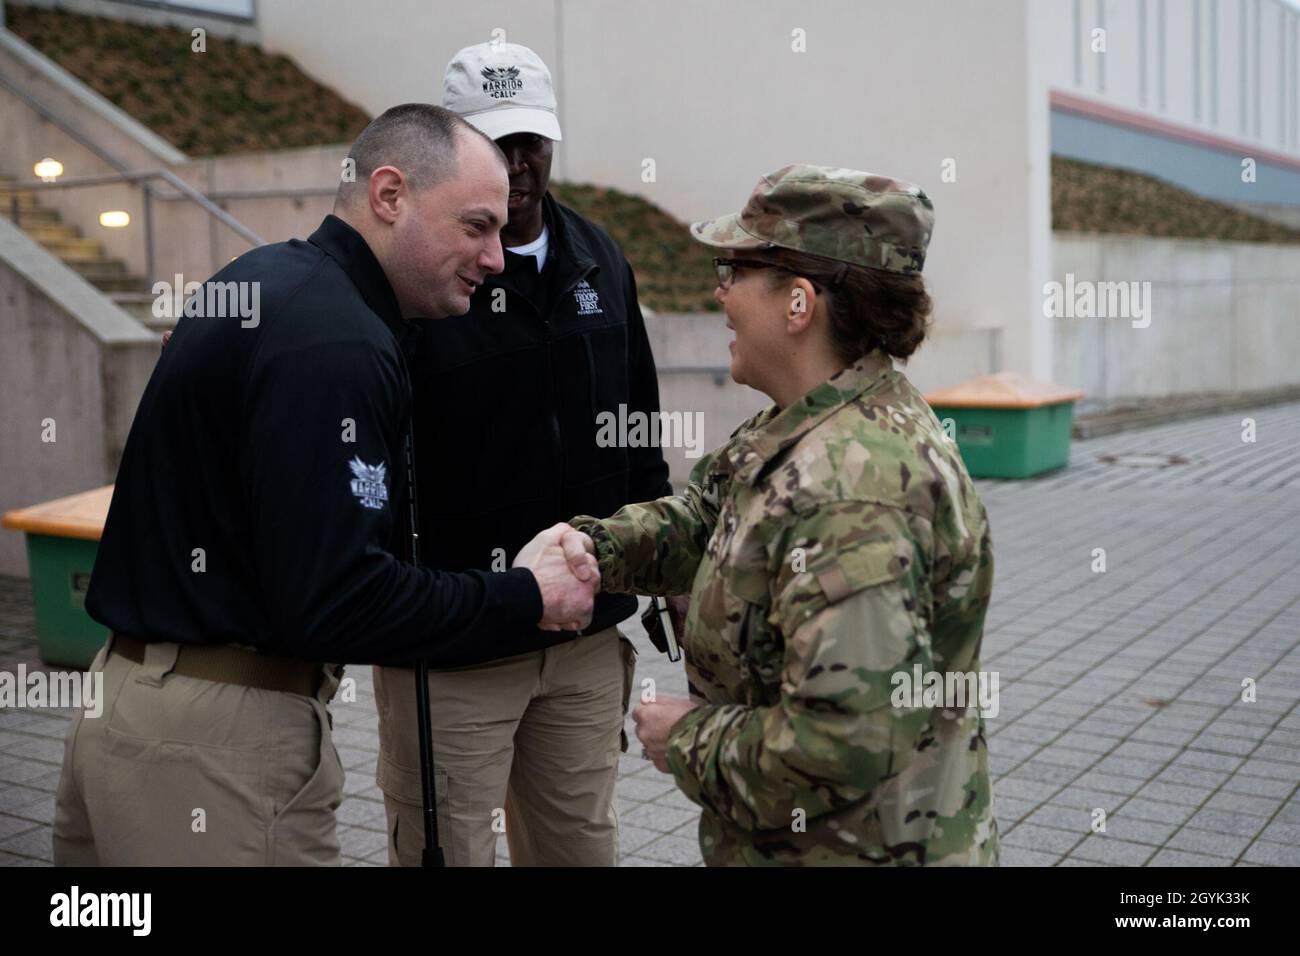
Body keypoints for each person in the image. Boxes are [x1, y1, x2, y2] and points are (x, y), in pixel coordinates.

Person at [52, 104, 599, 867]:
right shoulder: (336, 340)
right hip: (218, 752)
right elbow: (338, 600)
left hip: (128, 714)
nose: (497, 256)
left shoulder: (263, 279)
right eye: (475, 226)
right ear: (389, 194)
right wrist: (523, 595)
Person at [566, 165, 999, 866]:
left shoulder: (852, 489)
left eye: (734, 268)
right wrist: (590, 550)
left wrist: (684, 738)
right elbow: (709, 519)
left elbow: (842, 742)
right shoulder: (812, 425)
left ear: (799, 303)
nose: (720, 292)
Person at [372, 41, 676, 868]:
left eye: (531, 141)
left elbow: (638, 431)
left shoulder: (601, 258)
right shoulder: (414, 277)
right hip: (458, 640)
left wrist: (668, 574)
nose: (517, 164)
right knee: (449, 851)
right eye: (495, 143)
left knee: (580, 848)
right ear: (451, 146)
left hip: (583, 637)